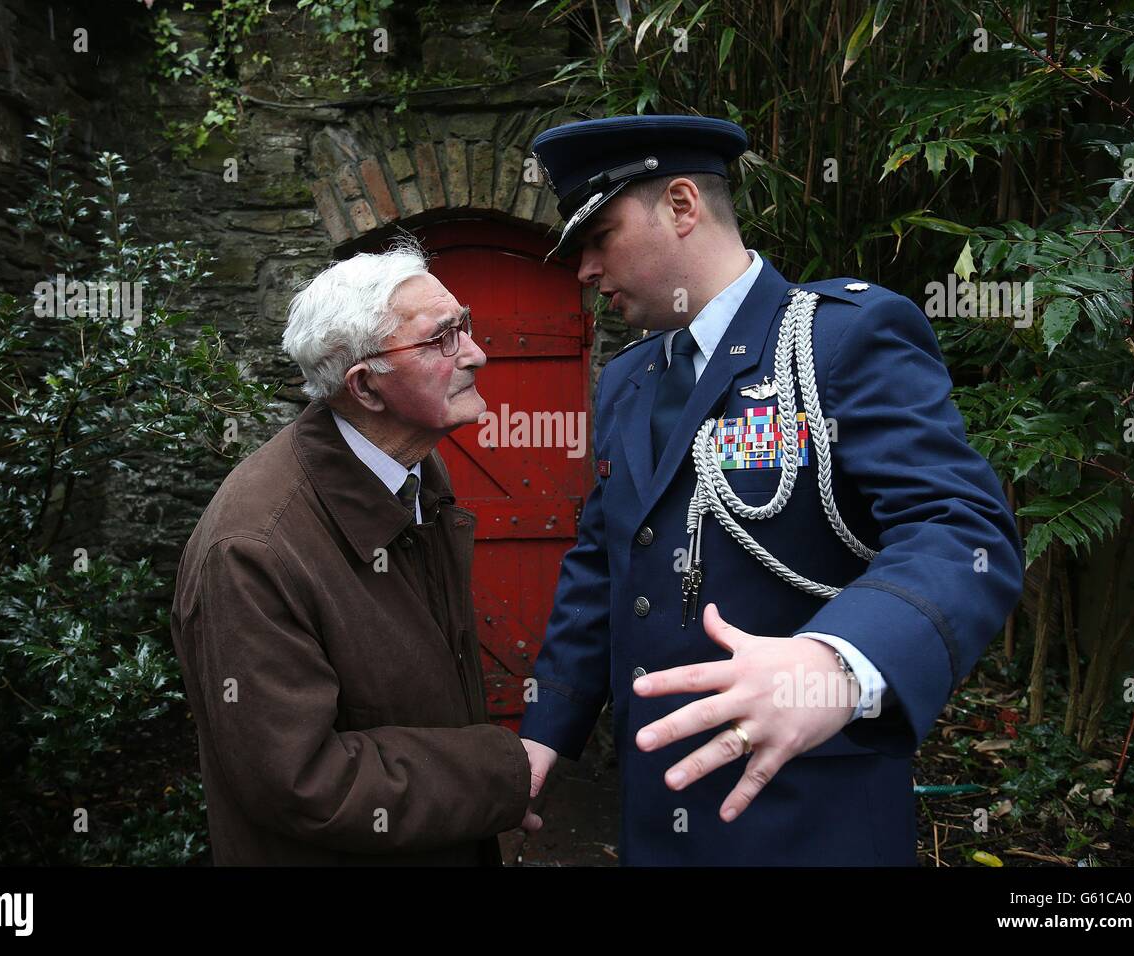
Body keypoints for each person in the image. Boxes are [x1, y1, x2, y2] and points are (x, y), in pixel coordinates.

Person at [519, 115, 1024, 865]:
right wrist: (544, 731)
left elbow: (961, 531)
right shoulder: (628, 379)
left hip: (806, 814)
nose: (586, 269)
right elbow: (604, 563)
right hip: (658, 810)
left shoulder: (839, 340)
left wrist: (835, 662)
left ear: (683, 205)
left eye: (600, 237)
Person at [170, 235, 538, 865]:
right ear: (365, 388)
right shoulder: (252, 550)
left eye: (465, 326)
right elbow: (303, 781)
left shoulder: (412, 470)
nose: (476, 353)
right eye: (441, 339)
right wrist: (504, 773)